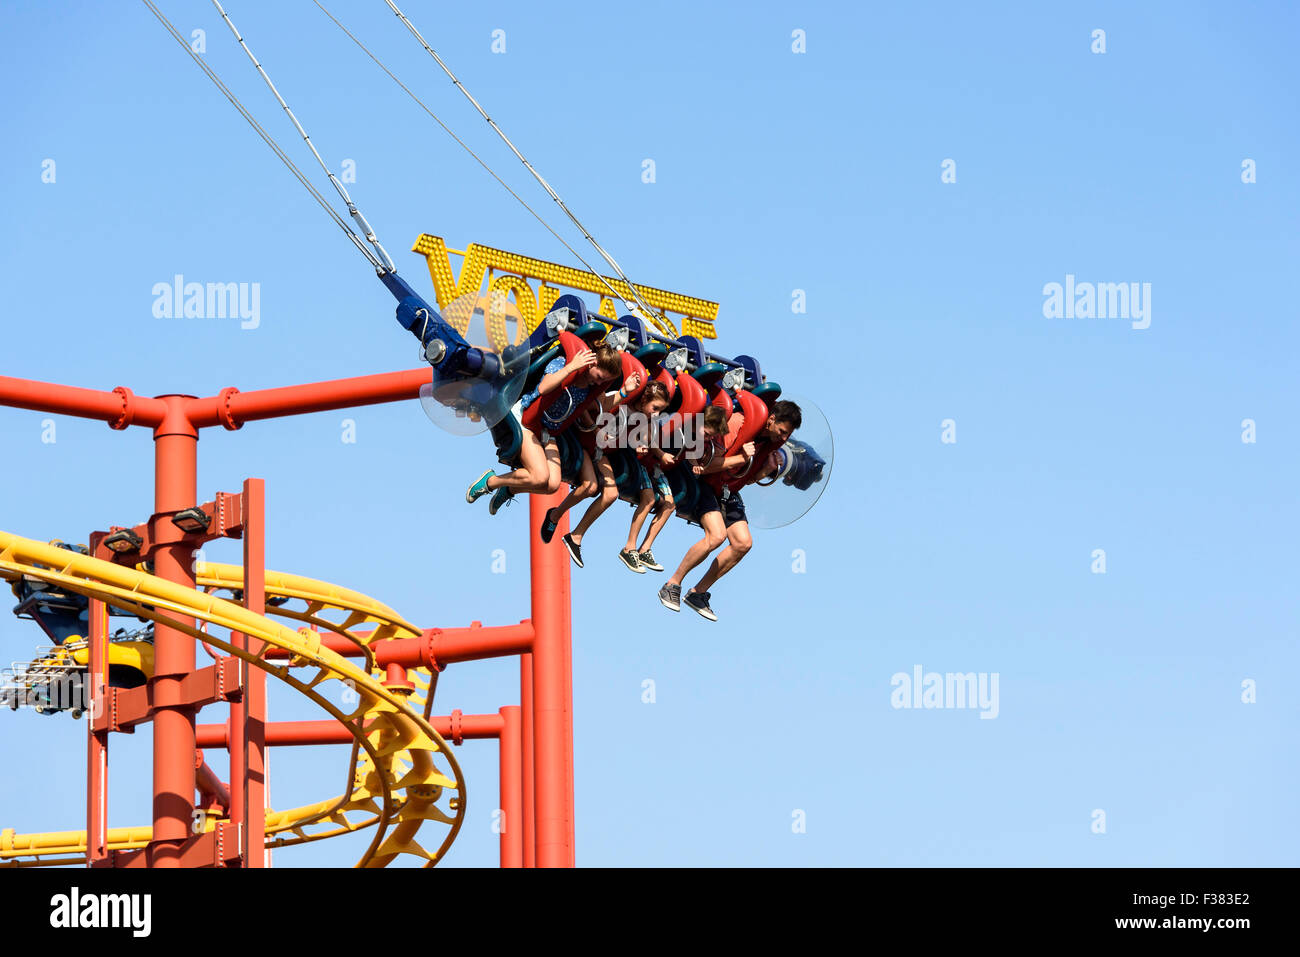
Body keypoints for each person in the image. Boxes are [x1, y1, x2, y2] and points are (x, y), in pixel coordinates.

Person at [658, 399, 803, 621]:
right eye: (782, 431)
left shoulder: (769, 442)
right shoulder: (738, 423)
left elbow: (747, 477)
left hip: (727, 490)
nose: (783, 438)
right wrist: (742, 457)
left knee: (743, 543)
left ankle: (697, 594)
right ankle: (672, 584)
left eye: (787, 435)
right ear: (771, 419)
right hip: (705, 482)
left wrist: (765, 470)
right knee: (716, 536)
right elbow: (708, 466)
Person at [465, 342, 623, 515]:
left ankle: (509, 489)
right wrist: (571, 368)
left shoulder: (589, 386)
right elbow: (544, 387)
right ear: (592, 362)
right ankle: (490, 482)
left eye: (604, 381)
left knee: (552, 485)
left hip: (548, 429)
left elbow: (602, 406)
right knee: (539, 476)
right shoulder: (562, 363)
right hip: (528, 419)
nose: (598, 382)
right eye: (600, 376)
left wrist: (625, 392)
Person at [555, 378, 669, 569]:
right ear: (644, 400)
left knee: (611, 495)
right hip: (587, 442)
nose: (657, 414)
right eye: (655, 407)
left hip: (605, 452)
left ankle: (575, 536)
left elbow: (643, 434)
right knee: (594, 488)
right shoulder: (618, 402)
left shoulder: (645, 416)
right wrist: (596, 429)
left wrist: (642, 443)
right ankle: (558, 518)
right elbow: (586, 410)